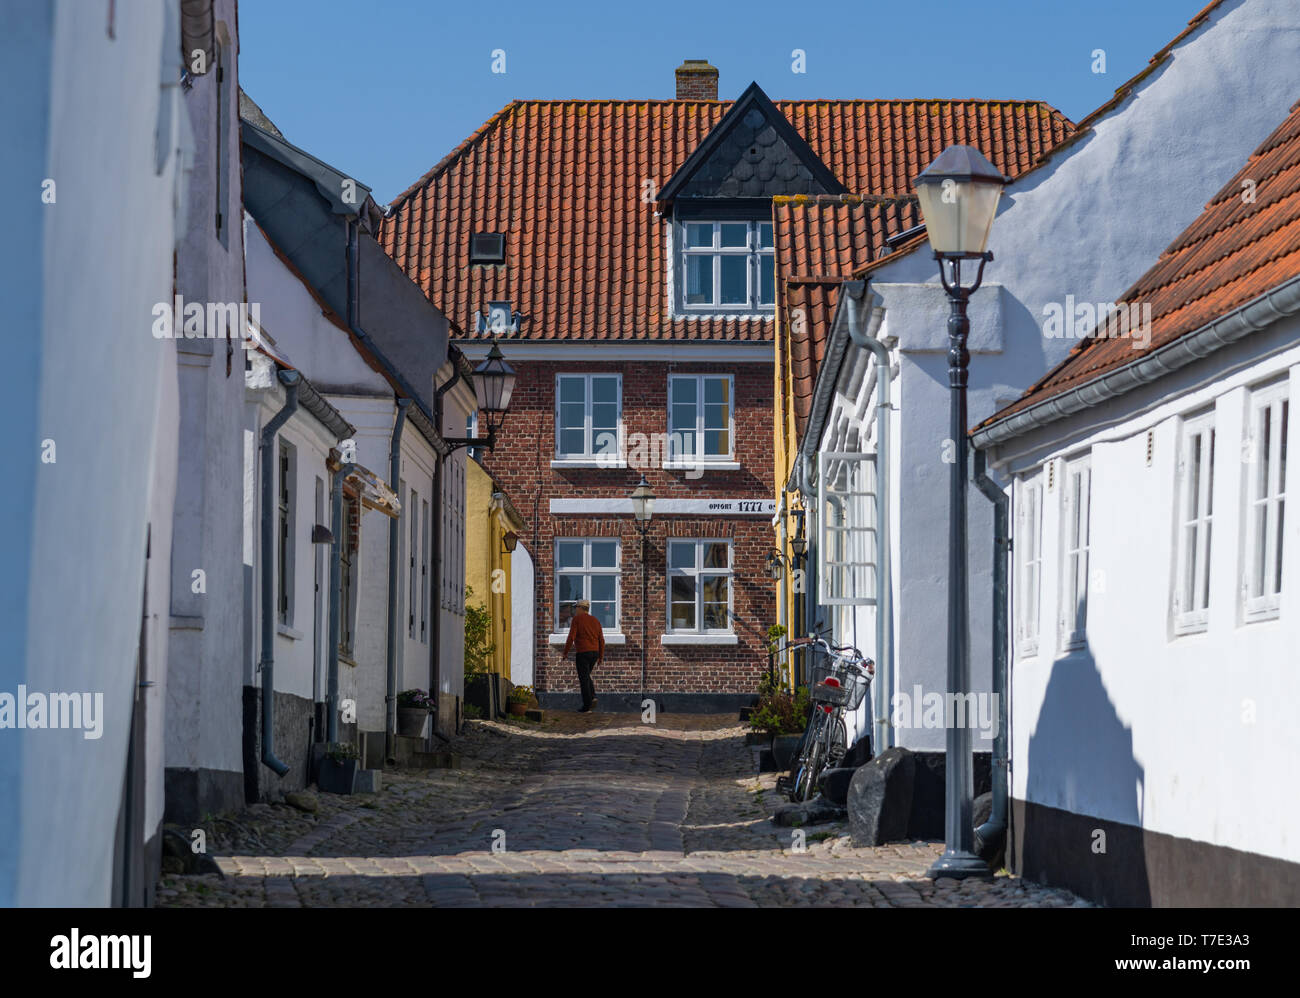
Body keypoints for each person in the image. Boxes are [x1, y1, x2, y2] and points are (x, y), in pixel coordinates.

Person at [562, 598, 604, 712]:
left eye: (576, 608)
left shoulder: (577, 619)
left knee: (583, 679)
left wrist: (565, 652)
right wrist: (600, 656)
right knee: (586, 676)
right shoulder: (595, 620)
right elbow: (601, 640)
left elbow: (571, 637)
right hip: (594, 653)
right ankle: (593, 696)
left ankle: (586, 705)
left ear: (581, 608)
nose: (575, 610)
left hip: (583, 653)